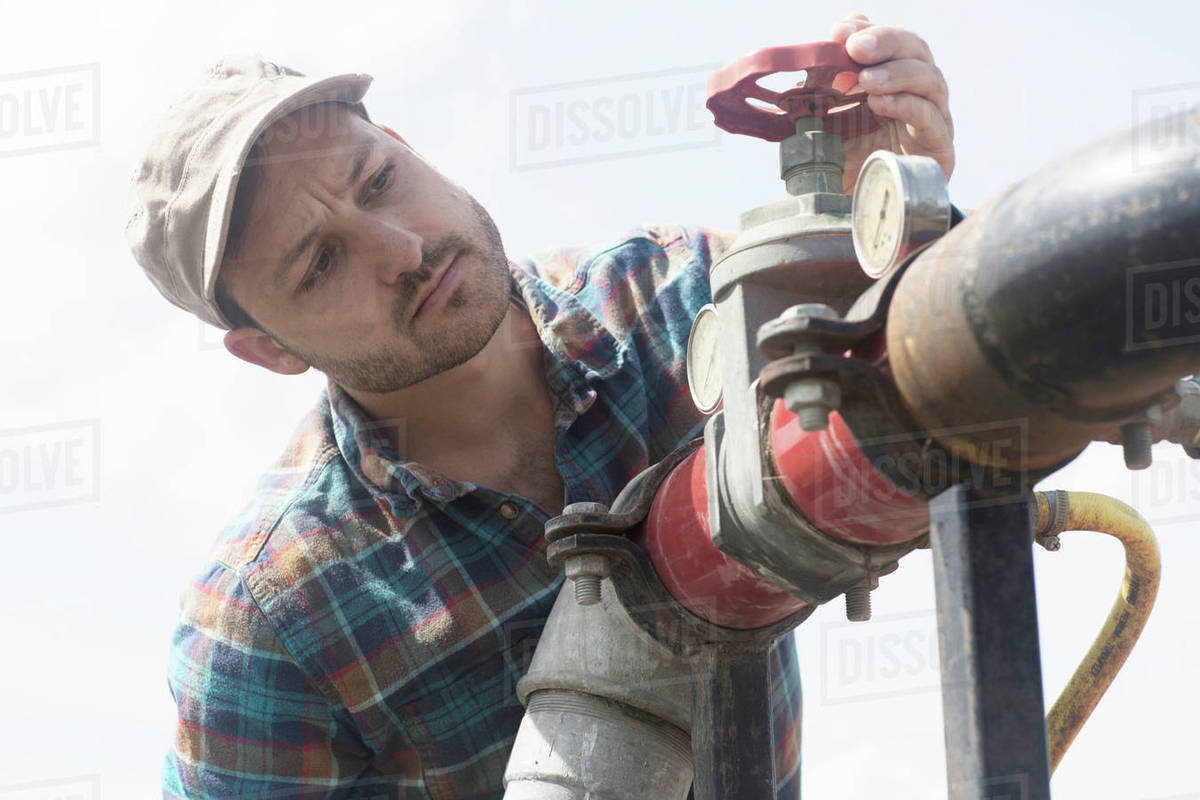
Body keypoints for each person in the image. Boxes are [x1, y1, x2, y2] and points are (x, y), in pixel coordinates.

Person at [124, 12, 955, 799]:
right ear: (271, 349)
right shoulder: (274, 618)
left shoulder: (677, 307)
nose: (403, 251)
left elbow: (955, 413)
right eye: (321, 264)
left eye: (379, 181)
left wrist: (894, 234)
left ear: (406, 146)